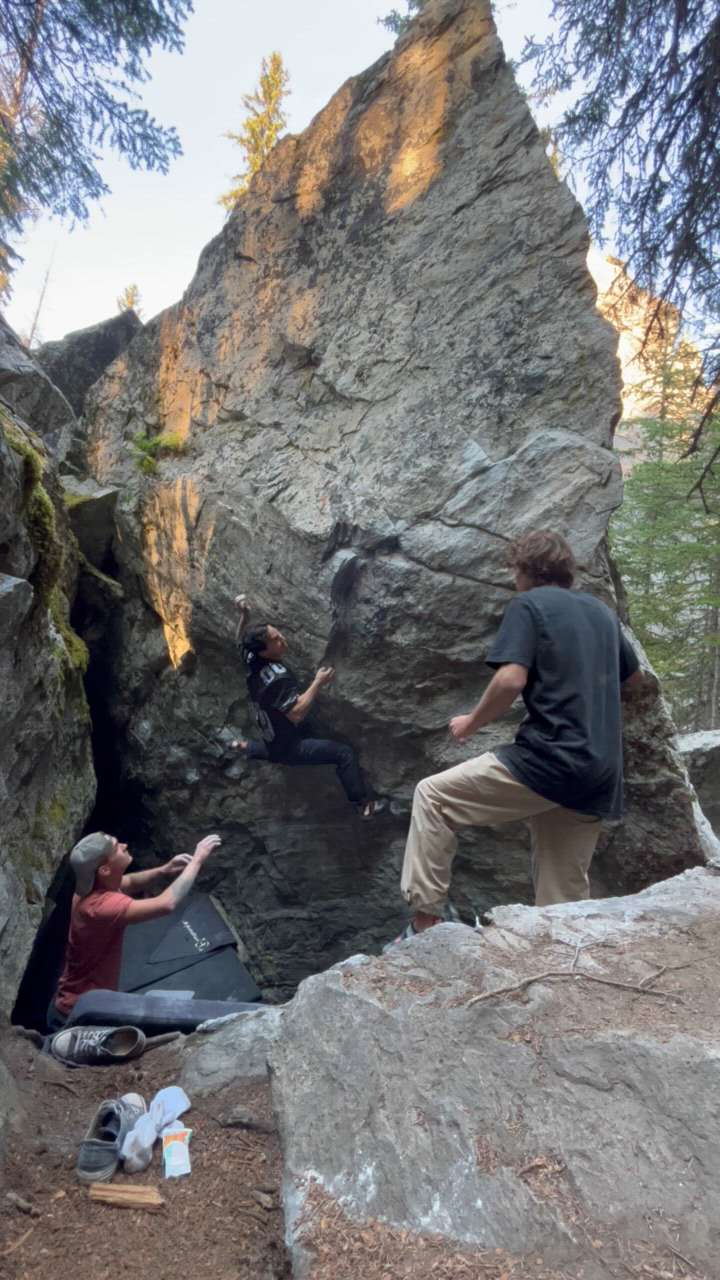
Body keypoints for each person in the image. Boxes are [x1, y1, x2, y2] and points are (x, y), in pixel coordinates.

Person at [394, 530, 648, 941]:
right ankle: (570, 961)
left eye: (514, 570)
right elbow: (633, 679)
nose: (513, 579)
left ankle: (424, 925)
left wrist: (471, 722)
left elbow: (510, 679)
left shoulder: (529, 605)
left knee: (433, 796)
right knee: (563, 901)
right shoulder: (600, 612)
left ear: (527, 570)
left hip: (550, 759)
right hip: (601, 769)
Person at [47, 830, 221, 1031]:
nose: (124, 845)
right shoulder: (100, 908)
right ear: (104, 869)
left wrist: (163, 870)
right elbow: (167, 904)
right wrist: (197, 860)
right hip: (77, 1014)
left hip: (76, 999)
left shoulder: (90, 887)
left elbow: (128, 882)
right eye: (116, 847)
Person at [231, 595, 386, 819]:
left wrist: (244, 616)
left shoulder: (252, 657)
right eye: (275, 639)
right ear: (264, 651)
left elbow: (240, 641)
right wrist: (318, 682)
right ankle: (362, 805)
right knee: (343, 753)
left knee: (273, 747)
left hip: (272, 732)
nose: (282, 639)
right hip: (291, 746)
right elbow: (296, 714)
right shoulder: (277, 678)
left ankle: (245, 747)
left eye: (278, 634)